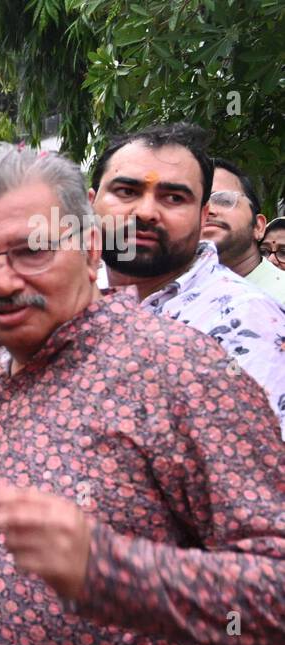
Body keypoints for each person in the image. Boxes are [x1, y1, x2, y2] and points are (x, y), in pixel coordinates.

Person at [0, 143, 285, 645]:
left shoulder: (180, 373)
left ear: (89, 247)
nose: (2, 281)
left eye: (32, 251)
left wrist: (110, 569)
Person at [89, 123, 285, 438]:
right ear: (90, 203)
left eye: (174, 198)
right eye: (127, 191)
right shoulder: (65, 301)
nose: (146, 212)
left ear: (202, 214)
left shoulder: (247, 321)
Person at [201, 158, 285, 305]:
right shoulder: (163, 297)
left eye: (224, 200)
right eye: (198, 204)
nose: (209, 211)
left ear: (258, 226)